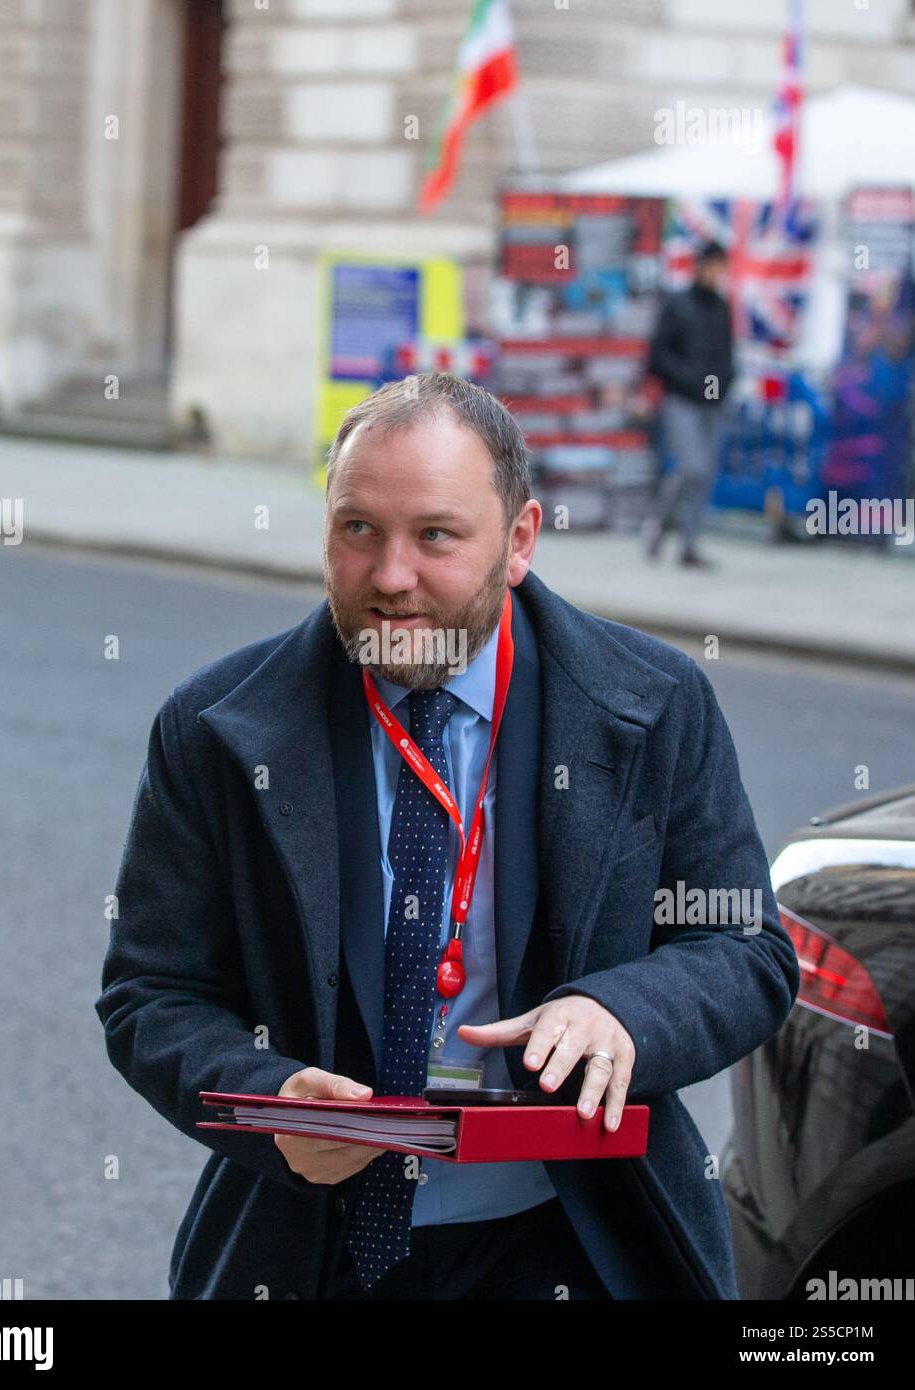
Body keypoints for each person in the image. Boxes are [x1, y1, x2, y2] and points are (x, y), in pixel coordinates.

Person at [94, 371, 799, 1301]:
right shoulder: (216, 726)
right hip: (308, 1247)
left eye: (434, 535)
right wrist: (265, 1098)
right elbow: (152, 993)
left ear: (518, 542)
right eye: (358, 530)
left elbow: (744, 951)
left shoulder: (656, 705)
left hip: (573, 1240)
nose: (391, 577)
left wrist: (622, 1012)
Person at [642, 241, 735, 566]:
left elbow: (726, 353)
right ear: (700, 266)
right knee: (692, 467)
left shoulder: (721, 307)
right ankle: (659, 521)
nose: (717, 273)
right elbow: (657, 356)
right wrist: (687, 378)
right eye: (713, 265)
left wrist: (725, 382)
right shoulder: (678, 304)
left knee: (705, 474)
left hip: (713, 403)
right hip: (682, 399)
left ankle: (688, 544)